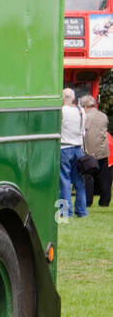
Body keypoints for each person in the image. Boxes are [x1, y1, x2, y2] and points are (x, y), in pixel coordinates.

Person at [60, 88, 88, 219]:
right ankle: (82, 211)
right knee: (79, 182)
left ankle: (65, 213)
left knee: (64, 181)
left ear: (63, 98)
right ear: (73, 98)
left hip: (64, 148)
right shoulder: (81, 111)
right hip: (78, 148)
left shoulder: (62, 111)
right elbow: (83, 132)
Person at [81, 94, 111, 207]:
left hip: (89, 151)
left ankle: (88, 201)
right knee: (104, 177)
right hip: (103, 150)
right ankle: (105, 201)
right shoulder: (103, 116)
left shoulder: (85, 117)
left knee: (87, 177)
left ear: (84, 105)